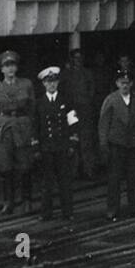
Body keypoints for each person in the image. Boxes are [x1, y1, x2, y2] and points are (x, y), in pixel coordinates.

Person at [34, 65, 80, 222]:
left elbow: (73, 122)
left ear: (58, 83)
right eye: (48, 82)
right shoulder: (39, 103)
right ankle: (46, 213)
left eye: (54, 81)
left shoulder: (66, 100)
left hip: (62, 146)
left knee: (64, 181)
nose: (51, 85)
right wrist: (35, 146)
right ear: (44, 84)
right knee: (47, 183)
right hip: (46, 147)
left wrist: (73, 143)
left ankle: (68, 212)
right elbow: (35, 126)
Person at [98, 70, 135, 219]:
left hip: (133, 144)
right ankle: (113, 209)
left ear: (131, 84)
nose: (124, 85)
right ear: (117, 84)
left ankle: (134, 208)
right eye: (121, 83)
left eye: (127, 83)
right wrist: (103, 144)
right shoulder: (111, 100)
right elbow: (103, 124)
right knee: (114, 179)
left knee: (133, 178)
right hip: (116, 145)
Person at [0, 50, 35, 214]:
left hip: (22, 127)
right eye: (6, 66)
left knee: (25, 165)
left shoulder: (26, 84)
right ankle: (8, 201)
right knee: (5, 166)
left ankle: (27, 200)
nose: (10, 69)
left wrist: (31, 131)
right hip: (4, 129)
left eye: (12, 65)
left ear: (16, 68)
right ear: (1, 69)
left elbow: (32, 108)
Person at [65, 48, 98, 178]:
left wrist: (87, 103)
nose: (77, 61)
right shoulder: (66, 74)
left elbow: (92, 90)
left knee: (86, 141)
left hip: (85, 110)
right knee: (73, 139)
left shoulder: (87, 73)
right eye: (75, 58)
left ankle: (88, 170)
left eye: (80, 58)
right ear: (71, 60)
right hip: (72, 111)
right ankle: (73, 172)